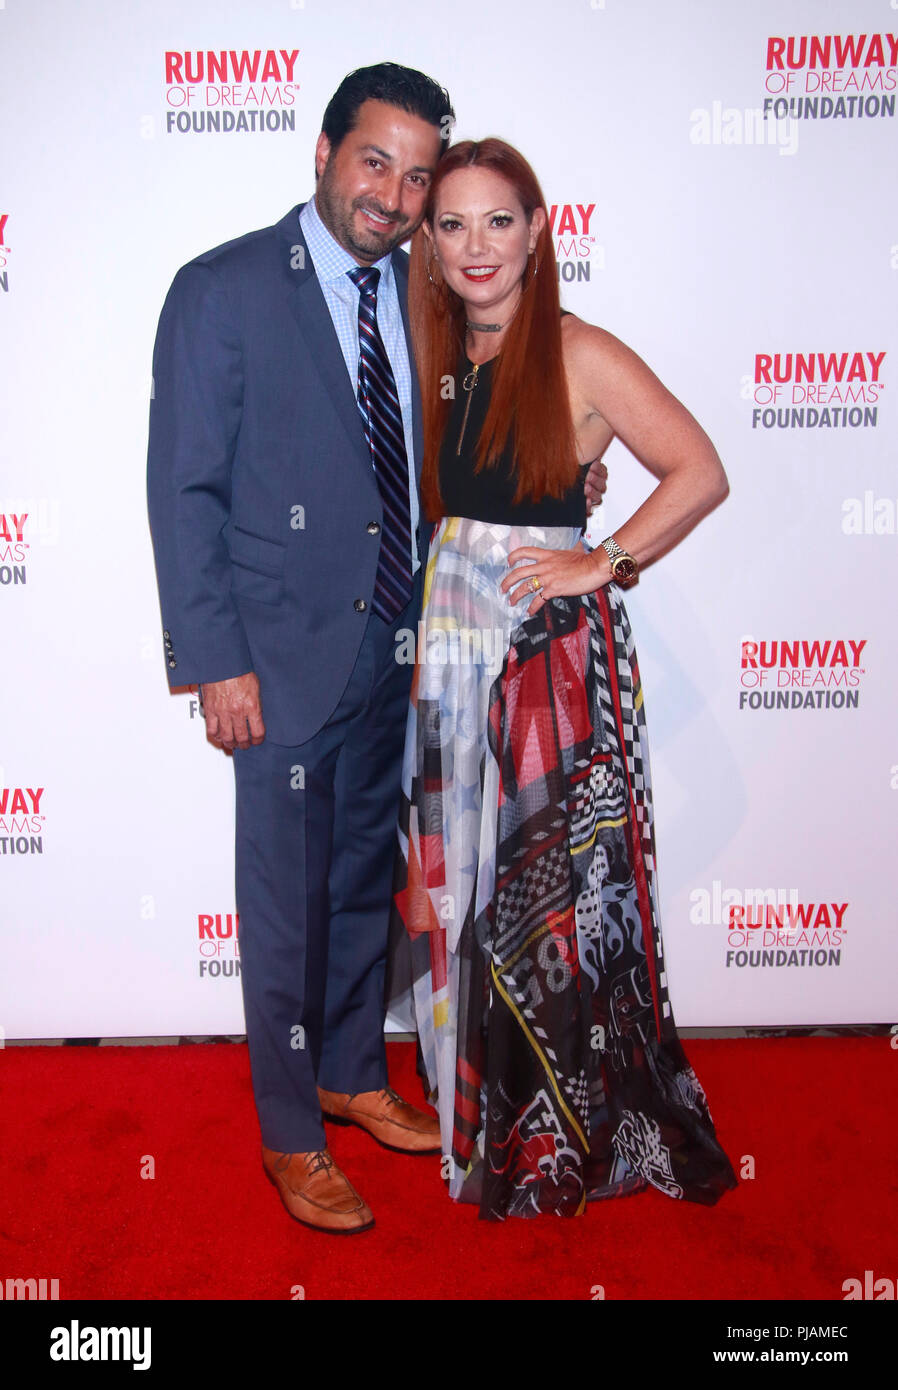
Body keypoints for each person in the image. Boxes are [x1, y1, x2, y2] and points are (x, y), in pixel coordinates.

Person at [147, 62, 612, 1235]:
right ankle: (289, 1130)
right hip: (278, 660)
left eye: (418, 177)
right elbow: (184, 490)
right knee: (287, 902)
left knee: (363, 886)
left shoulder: (425, 295)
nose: (397, 196)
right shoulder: (225, 287)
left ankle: (354, 1072)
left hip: (406, 655)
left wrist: (569, 473)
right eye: (376, 163)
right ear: (322, 151)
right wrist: (217, 661)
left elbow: (463, 441)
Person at [389, 138, 739, 1219]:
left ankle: (549, 1135)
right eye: (451, 224)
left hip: (544, 657)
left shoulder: (580, 349)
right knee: (455, 886)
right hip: (447, 636)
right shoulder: (442, 351)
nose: (475, 245)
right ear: (431, 245)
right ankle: (473, 1119)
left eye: (499, 220)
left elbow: (700, 468)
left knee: (542, 903)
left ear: (538, 231)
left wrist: (602, 556)